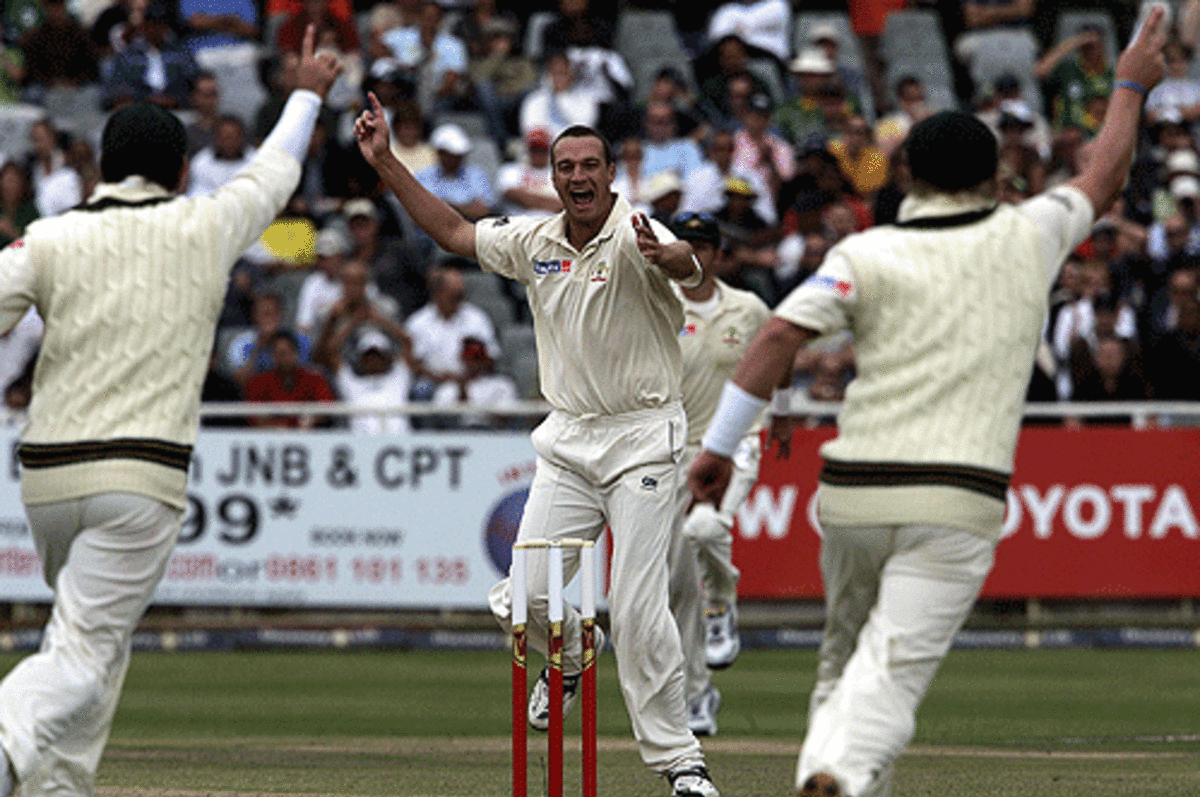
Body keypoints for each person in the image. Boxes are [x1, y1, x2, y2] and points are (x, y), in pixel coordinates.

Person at [688, 11, 1168, 797]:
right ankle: (834, 774)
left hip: (851, 494)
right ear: (995, 179)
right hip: (954, 496)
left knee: (844, 667)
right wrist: (1127, 85)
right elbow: (1105, 176)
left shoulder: (864, 252)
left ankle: (831, 772)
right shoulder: (1031, 231)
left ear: (906, 176)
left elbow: (776, 335)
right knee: (891, 671)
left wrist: (717, 449)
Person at [0, 25, 339, 797]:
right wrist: (309, 93)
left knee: (91, 640)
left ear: (103, 165)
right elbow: (277, 171)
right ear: (184, 169)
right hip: (139, 480)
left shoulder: (47, 237)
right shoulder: (204, 223)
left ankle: (56, 786)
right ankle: (7, 743)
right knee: (84, 654)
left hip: (47, 482)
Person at [354, 98, 719, 796]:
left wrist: (671, 255)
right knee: (522, 600)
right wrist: (387, 162)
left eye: (590, 165)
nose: (578, 177)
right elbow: (455, 231)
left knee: (637, 606)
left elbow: (689, 270)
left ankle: (682, 764)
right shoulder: (536, 241)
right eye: (565, 167)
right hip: (570, 439)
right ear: (553, 178)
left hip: (642, 436)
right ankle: (575, 653)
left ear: (613, 173)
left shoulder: (639, 231)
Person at [665, 212, 772, 738]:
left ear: (716, 254)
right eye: (686, 245)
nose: (696, 254)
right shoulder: (659, 303)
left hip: (736, 443)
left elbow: (780, 356)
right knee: (678, 585)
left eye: (704, 246)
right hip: (674, 450)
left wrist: (788, 408)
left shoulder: (746, 308)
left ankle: (723, 603)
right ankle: (697, 693)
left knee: (704, 529)